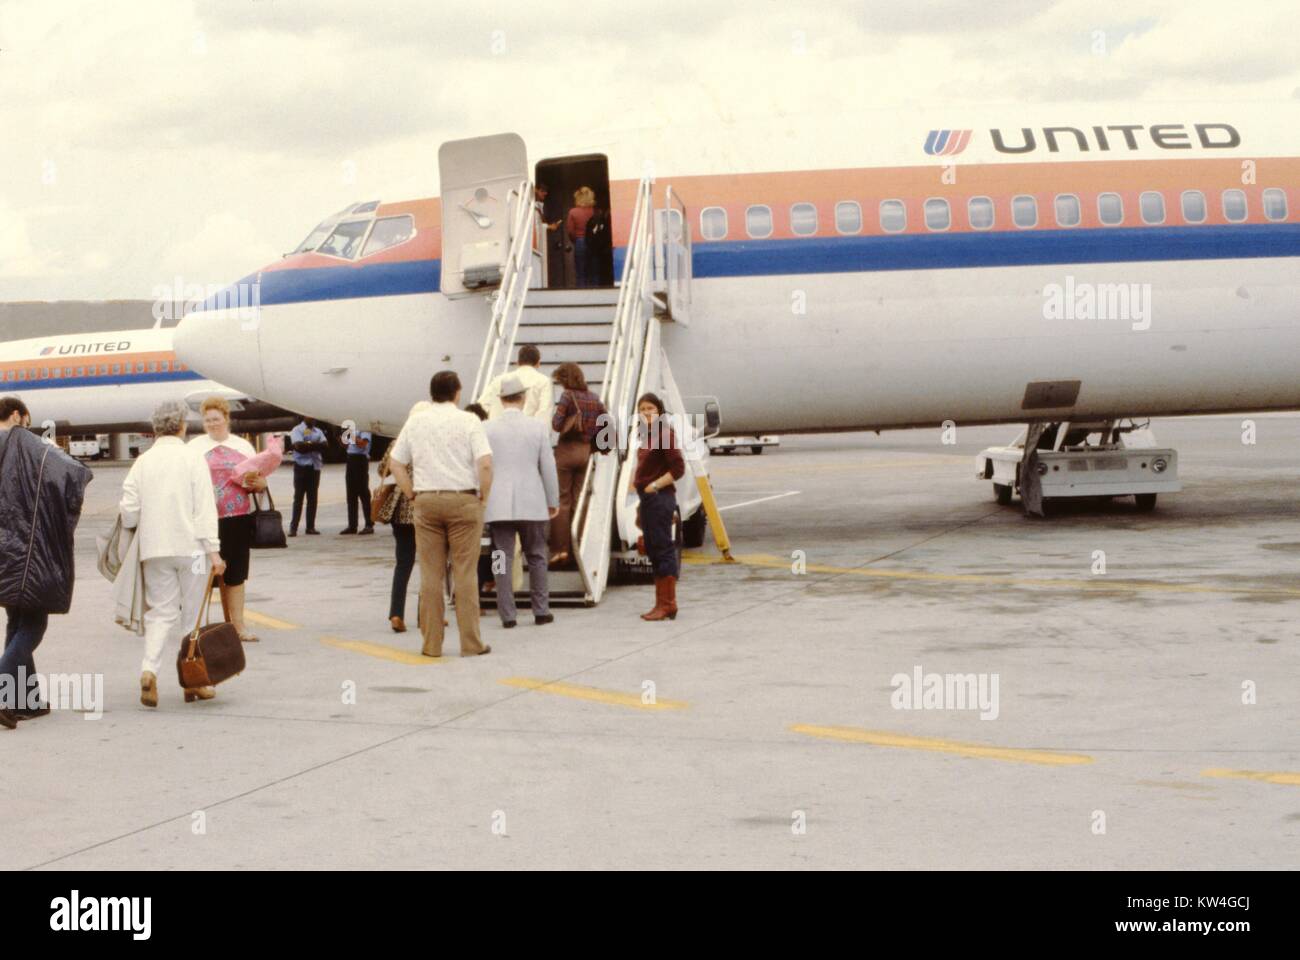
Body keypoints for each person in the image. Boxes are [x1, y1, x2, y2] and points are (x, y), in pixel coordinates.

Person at [119, 400, 226, 707]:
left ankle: (149, 671)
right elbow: (205, 509)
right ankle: (193, 682)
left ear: (154, 429)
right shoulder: (192, 459)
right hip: (192, 551)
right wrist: (214, 553)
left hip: (155, 549)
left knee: (160, 613)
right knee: (191, 615)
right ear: (182, 426)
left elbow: (128, 510)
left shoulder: (143, 462)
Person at [0, 397, 92, 729]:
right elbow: (75, 472)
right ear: (17, 415)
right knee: (33, 624)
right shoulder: (26, 443)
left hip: (3, 553)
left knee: (16, 622)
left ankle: (25, 700)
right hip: (29, 552)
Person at [388, 371, 494, 658]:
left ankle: (432, 644)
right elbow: (484, 463)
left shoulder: (416, 421)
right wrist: (483, 494)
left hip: (426, 502)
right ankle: (471, 643)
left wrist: (411, 493)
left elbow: (395, 463)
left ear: (431, 393)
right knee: (464, 573)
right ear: (457, 393)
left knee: (431, 576)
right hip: (463, 500)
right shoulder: (469, 420)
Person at [483, 373, 560, 628]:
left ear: (502, 400)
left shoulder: (487, 428)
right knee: (537, 555)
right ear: (524, 398)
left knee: (500, 557)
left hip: (498, 503)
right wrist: (552, 499)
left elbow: (482, 466)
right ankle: (541, 610)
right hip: (532, 501)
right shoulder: (537, 427)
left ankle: (507, 614)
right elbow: (548, 467)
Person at [188, 397, 267, 643]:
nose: (212, 424)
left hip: (237, 518)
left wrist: (260, 484)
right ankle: (195, 627)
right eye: (207, 420)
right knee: (199, 574)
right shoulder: (194, 447)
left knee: (236, 575)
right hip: (203, 519)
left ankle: (238, 625)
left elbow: (258, 479)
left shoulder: (243, 447)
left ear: (226, 419)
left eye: (216, 419)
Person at [631, 392, 685, 622]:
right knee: (653, 549)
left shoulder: (665, 434)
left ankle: (668, 604)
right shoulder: (648, 436)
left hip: (659, 497)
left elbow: (678, 469)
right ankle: (661, 603)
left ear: (659, 411)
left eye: (650, 409)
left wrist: (654, 485)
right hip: (648, 499)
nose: (646, 413)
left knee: (662, 549)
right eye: (642, 409)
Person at [549, 362, 609, 567]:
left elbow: (556, 425)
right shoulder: (594, 398)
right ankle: (578, 549)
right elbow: (606, 422)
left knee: (562, 501)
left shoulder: (567, 396)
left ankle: (560, 549)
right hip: (585, 452)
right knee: (578, 501)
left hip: (566, 451)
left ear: (566, 379)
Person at [375, 424, 420, 633]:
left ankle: (396, 613)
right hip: (422, 504)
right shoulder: (427, 442)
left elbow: (381, 469)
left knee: (403, 563)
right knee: (432, 563)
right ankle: (426, 613)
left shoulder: (396, 443)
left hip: (398, 508)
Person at [477, 344, 555, 424]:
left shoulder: (499, 380)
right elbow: (544, 413)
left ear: (517, 363)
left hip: (497, 432)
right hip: (527, 433)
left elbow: (481, 406)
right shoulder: (544, 382)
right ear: (538, 363)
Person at [288, 417, 327, 536]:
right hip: (301, 467)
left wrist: (308, 444)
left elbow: (325, 446)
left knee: (312, 498)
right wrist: (315, 445)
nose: (314, 419)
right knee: (298, 498)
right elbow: (299, 447)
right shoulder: (297, 430)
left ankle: (310, 527)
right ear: (305, 417)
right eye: (311, 417)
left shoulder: (318, 431)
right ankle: (293, 528)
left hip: (315, 467)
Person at [342, 427, 374, 535]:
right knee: (351, 494)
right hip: (350, 458)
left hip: (360, 460)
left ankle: (369, 524)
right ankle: (352, 525)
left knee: (363, 492)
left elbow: (362, 444)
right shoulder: (351, 428)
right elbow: (346, 445)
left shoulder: (364, 428)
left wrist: (351, 436)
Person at [566, 186, 598, 288]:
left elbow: (570, 231)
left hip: (580, 241)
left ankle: (582, 294)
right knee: (594, 271)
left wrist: (576, 240)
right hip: (594, 242)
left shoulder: (573, 212)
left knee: (581, 272)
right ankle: (596, 293)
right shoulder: (595, 212)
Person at [537, 183, 568, 288]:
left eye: (546, 191)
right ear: (535, 190)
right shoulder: (533, 206)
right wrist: (549, 227)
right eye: (542, 191)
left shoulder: (541, 205)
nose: (545, 193)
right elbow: (535, 224)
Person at [585, 202, 613, 286]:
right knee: (599, 272)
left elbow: (589, 236)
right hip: (600, 250)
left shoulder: (593, 220)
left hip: (597, 250)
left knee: (597, 272)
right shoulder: (599, 221)